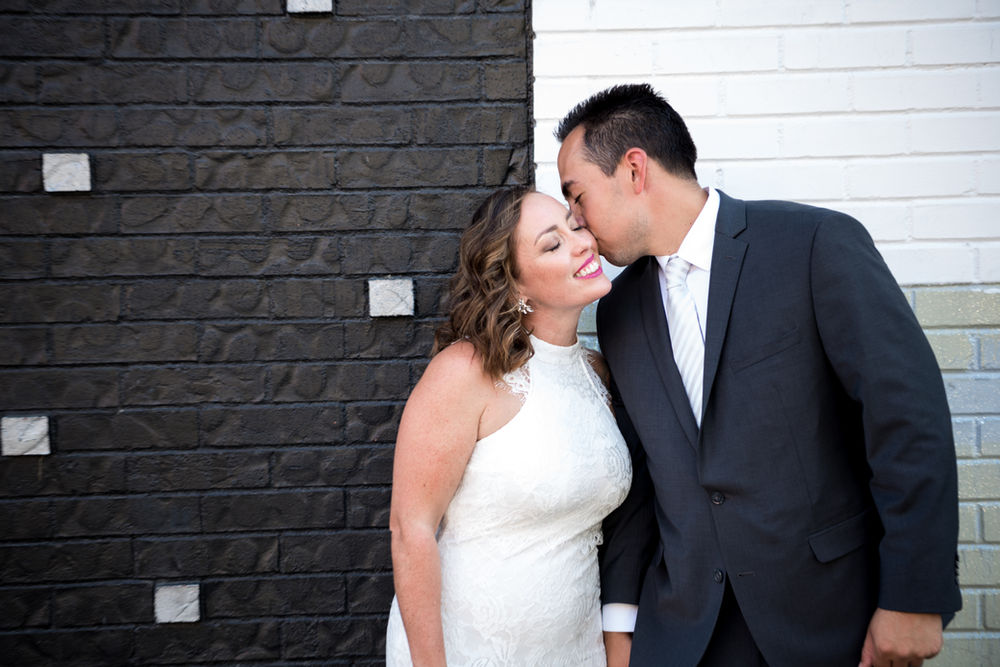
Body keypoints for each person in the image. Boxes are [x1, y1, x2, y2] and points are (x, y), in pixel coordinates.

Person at [554, 83, 961, 667]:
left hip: (827, 618)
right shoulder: (617, 311)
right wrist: (620, 619)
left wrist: (914, 595)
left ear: (635, 170)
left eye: (577, 196)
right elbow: (641, 477)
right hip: (683, 633)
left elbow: (907, 418)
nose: (577, 221)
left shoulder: (813, 244)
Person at [384, 185, 632, 665]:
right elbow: (410, 529)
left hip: (574, 651)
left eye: (575, 227)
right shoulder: (466, 372)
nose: (581, 243)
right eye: (552, 244)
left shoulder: (598, 373)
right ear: (515, 285)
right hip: (468, 649)